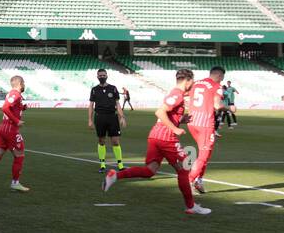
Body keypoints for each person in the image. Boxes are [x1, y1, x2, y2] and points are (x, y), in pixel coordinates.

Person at [103, 68, 210, 215]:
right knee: (184, 169)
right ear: (188, 81)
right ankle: (191, 206)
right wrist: (175, 128)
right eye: (192, 82)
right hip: (166, 137)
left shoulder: (175, 93)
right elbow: (159, 112)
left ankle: (114, 176)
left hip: (156, 136)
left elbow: (166, 114)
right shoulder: (177, 93)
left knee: (149, 171)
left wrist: (180, 120)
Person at [187, 66, 226, 195]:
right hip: (205, 124)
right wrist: (230, 108)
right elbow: (217, 105)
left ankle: (199, 180)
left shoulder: (196, 83)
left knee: (205, 154)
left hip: (192, 122)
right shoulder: (216, 86)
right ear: (220, 76)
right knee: (203, 155)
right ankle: (189, 181)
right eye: (222, 78)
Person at [88, 68, 125, 173]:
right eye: (100, 75)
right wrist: (90, 120)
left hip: (112, 117)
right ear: (97, 77)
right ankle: (102, 164)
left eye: (104, 75)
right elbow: (91, 105)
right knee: (101, 141)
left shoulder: (113, 88)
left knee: (115, 141)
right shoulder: (94, 89)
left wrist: (122, 117)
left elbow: (117, 104)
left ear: (107, 76)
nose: (102, 77)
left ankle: (120, 164)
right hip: (99, 117)